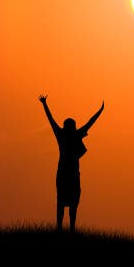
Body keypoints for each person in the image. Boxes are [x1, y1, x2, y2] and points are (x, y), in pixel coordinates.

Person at [39, 95, 104, 232]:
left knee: (62, 201)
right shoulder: (75, 134)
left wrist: (44, 104)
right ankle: (70, 229)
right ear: (73, 127)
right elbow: (90, 122)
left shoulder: (61, 134)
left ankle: (60, 228)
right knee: (71, 202)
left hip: (64, 172)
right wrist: (100, 111)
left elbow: (50, 119)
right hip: (71, 173)